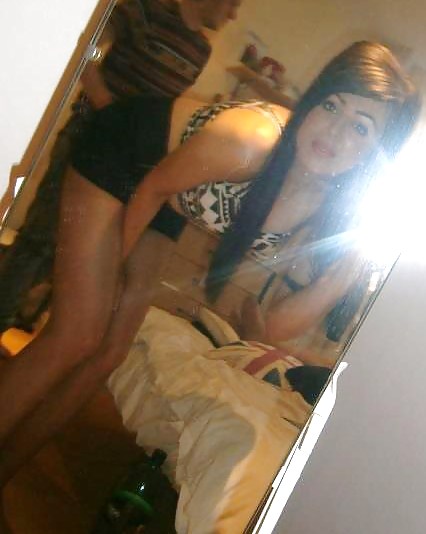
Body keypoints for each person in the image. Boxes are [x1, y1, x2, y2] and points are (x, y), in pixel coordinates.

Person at [0, 41, 419, 506]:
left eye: (361, 127)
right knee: (78, 333)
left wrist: (343, 272)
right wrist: (105, 277)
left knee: (109, 353)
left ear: (376, 153)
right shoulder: (254, 141)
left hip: (166, 201)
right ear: (313, 100)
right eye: (331, 105)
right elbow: (154, 185)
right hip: (124, 155)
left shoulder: (331, 210)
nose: (334, 131)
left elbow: (276, 327)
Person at [0, 0, 241, 333]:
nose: (233, 15)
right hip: (90, 131)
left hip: (128, 160)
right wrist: (109, 111)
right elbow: (87, 52)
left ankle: (20, 323)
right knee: (39, 236)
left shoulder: (199, 49)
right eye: (234, 4)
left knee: (72, 250)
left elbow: (162, 107)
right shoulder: (145, 8)